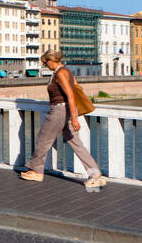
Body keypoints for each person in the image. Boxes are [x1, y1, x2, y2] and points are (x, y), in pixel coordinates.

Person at [19, 50, 106, 189]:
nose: (45, 65)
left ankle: (36, 171)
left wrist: (74, 118)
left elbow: (71, 95)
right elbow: (77, 87)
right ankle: (95, 174)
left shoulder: (60, 73)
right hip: (66, 110)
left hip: (59, 111)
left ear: (51, 60)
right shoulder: (66, 71)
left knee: (43, 139)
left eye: (45, 62)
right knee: (75, 143)